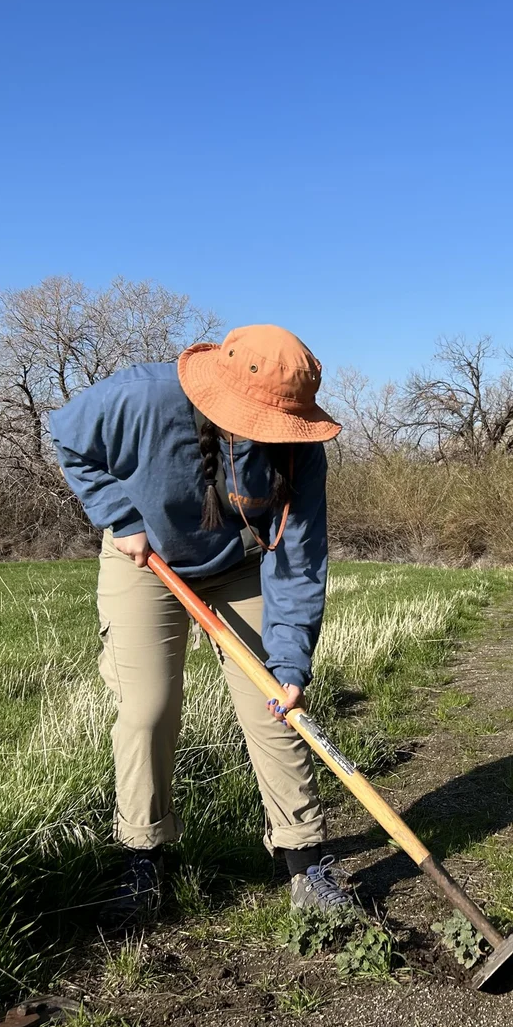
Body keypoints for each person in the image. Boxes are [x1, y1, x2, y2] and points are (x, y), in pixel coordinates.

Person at [50, 324, 355, 927]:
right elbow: (69, 438)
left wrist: (290, 664)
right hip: (147, 561)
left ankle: (305, 862)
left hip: (241, 565)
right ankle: (144, 856)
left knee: (276, 704)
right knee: (147, 707)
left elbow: (298, 561)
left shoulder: (300, 452)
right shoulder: (138, 397)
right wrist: (119, 516)